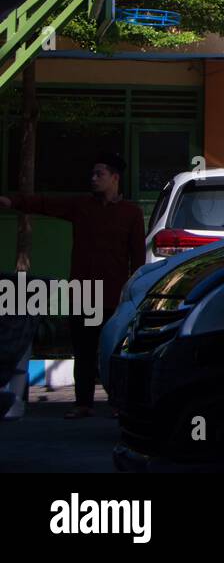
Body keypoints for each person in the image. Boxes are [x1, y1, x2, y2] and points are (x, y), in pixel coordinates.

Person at [0, 152, 145, 418]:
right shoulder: (82, 206)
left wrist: (134, 293)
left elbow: (137, 257)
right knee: (84, 351)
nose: (93, 179)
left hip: (114, 295)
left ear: (115, 178)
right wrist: (13, 201)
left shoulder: (131, 213)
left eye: (99, 174)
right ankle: (83, 403)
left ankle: (117, 403)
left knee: (115, 352)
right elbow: (45, 204)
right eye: (92, 174)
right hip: (83, 292)